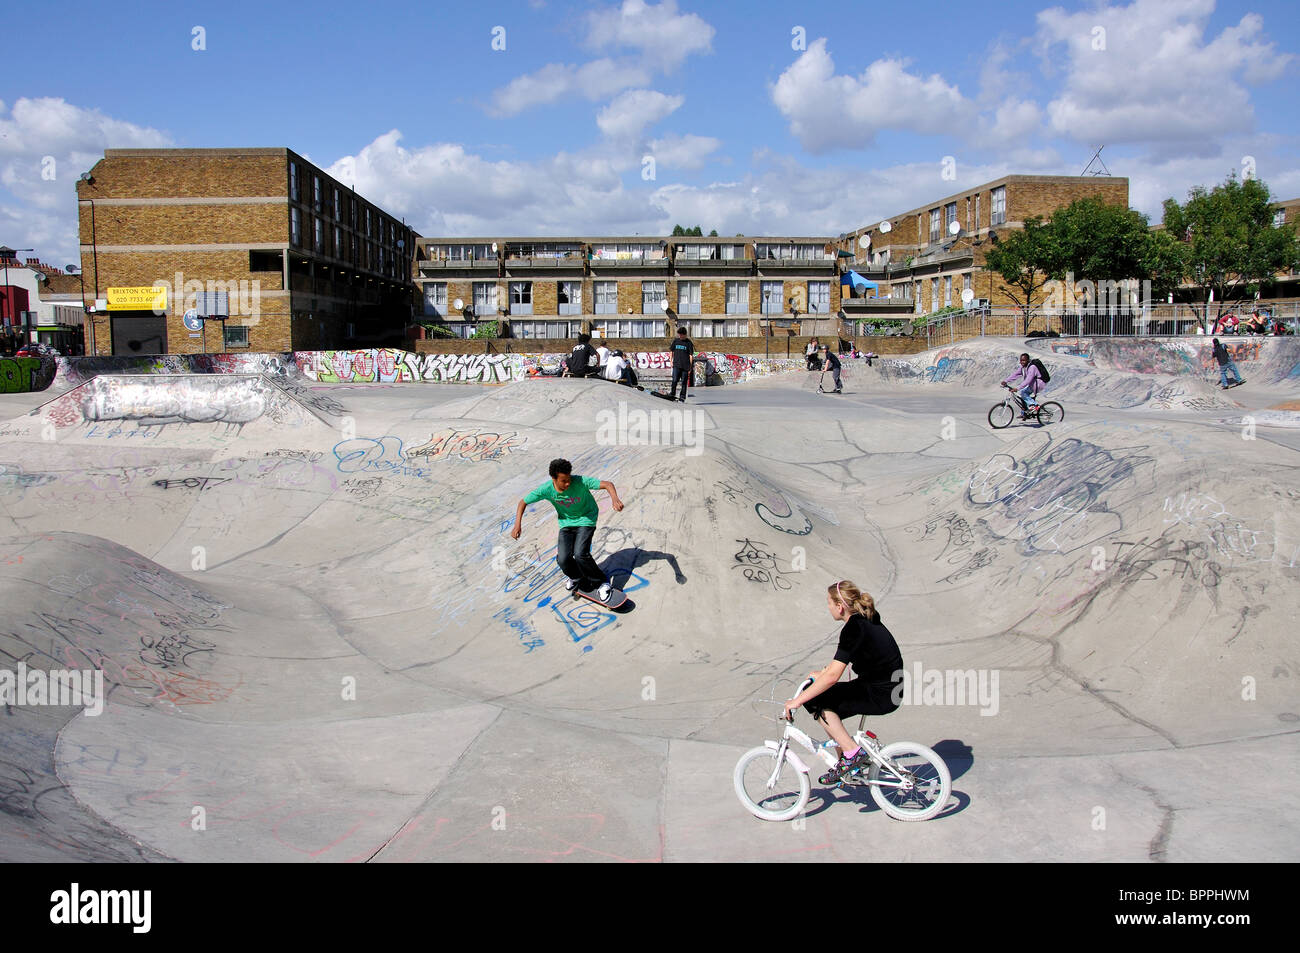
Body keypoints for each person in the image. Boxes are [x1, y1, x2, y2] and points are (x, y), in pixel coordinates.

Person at [783, 581, 903, 785]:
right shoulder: (867, 618)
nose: (828, 607)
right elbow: (835, 667)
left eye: (829, 603)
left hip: (878, 693)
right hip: (886, 689)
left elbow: (833, 677)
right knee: (826, 700)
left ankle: (851, 753)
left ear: (839, 606)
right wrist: (820, 673)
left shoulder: (853, 628)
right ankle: (845, 760)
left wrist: (796, 701)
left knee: (816, 701)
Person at [511, 458, 624, 603]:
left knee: (580, 553)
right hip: (566, 523)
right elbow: (523, 502)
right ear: (554, 479)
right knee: (563, 559)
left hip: (586, 518)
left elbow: (607, 484)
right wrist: (517, 525)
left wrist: (614, 499)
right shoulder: (546, 489)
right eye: (563, 481)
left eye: (569, 479)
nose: (568, 483)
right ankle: (577, 576)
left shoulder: (580, 481)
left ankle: (601, 583)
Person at [1001, 352, 1045, 417]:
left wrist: (1017, 388)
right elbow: (1015, 374)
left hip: (1038, 384)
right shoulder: (1023, 368)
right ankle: (1024, 413)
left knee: (1023, 393)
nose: (1022, 362)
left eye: (1024, 360)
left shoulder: (1032, 367)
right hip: (1032, 384)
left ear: (1028, 360)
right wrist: (1006, 381)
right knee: (1022, 395)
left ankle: (1035, 406)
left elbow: (1028, 380)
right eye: (1021, 360)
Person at [669, 327, 695, 401]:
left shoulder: (689, 343)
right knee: (674, 380)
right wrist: (671, 361)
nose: (680, 336)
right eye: (679, 335)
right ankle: (672, 394)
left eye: (681, 335)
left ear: (685, 335)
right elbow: (671, 351)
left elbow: (690, 355)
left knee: (684, 382)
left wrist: (690, 367)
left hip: (685, 366)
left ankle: (682, 397)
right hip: (676, 365)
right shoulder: (676, 341)